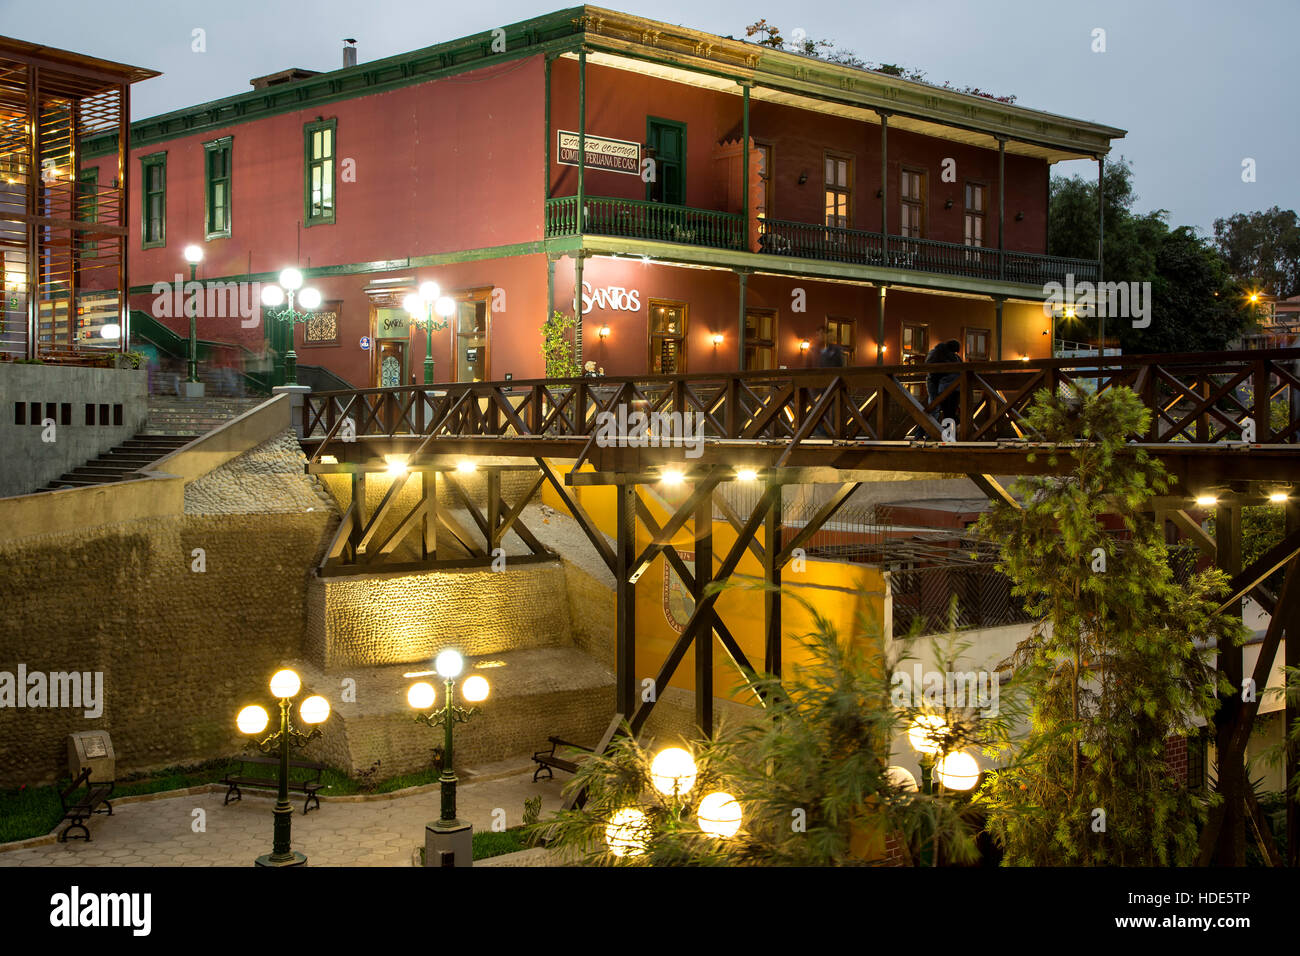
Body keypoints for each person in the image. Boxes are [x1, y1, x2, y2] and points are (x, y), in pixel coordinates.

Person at [924, 339, 962, 425]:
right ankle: (943, 432)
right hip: (945, 385)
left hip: (941, 384)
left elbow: (929, 366)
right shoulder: (952, 357)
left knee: (936, 408)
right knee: (939, 408)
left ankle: (928, 432)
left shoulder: (936, 352)